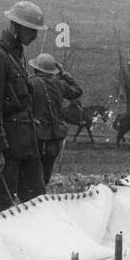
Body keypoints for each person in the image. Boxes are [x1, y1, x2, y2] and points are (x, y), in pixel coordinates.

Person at [0, 1, 48, 212]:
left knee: (37, 200)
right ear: (16, 26)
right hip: (6, 146)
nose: (34, 36)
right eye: (31, 30)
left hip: (25, 141)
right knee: (2, 205)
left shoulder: (15, 53)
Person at [28, 52, 83, 186]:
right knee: (46, 170)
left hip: (36, 133)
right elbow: (77, 90)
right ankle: (41, 191)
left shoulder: (30, 82)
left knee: (33, 169)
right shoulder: (60, 84)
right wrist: (64, 74)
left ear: (36, 68)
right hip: (55, 134)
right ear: (53, 71)